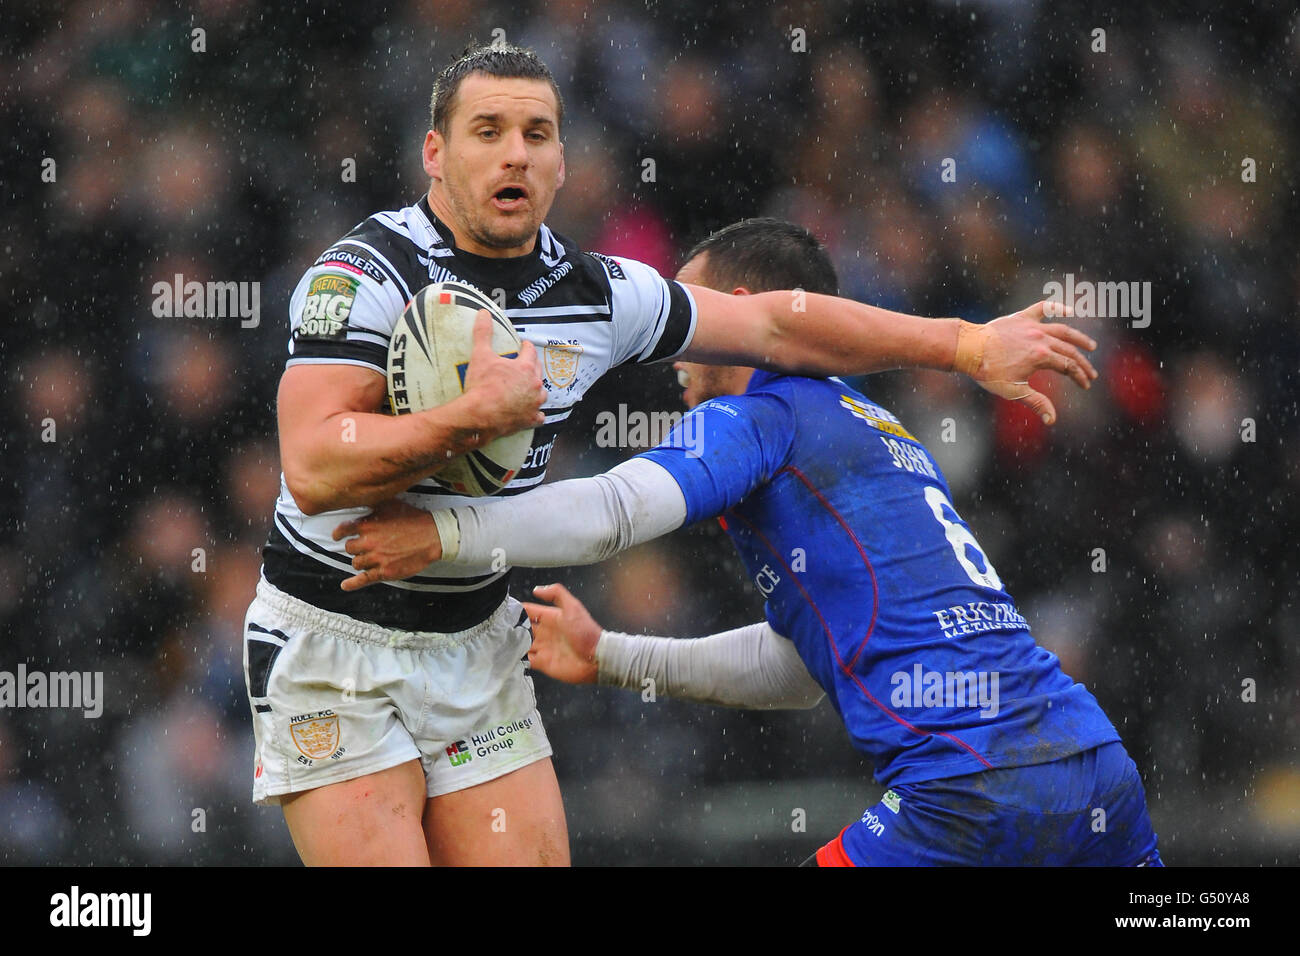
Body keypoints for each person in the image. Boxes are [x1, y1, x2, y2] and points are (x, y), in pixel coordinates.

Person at [250, 39, 1099, 867]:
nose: (514, 154)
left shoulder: (602, 291)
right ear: (434, 152)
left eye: (536, 134)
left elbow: (775, 320)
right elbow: (317, 467)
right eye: (488, 131)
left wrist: (963, 345)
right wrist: (468, 418)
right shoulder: (363, 273)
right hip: (339, 633)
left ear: (562, 164)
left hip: (475, 637)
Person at [336, 217, 1160, 866]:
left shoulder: (761, 416)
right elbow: (799, 667)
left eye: (689, 310)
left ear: (738, 310)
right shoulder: (875, 425)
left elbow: (614, 512)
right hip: (1090, 761)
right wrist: (613, 656)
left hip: (966, 783)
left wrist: (446, 531)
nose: (672, 351)